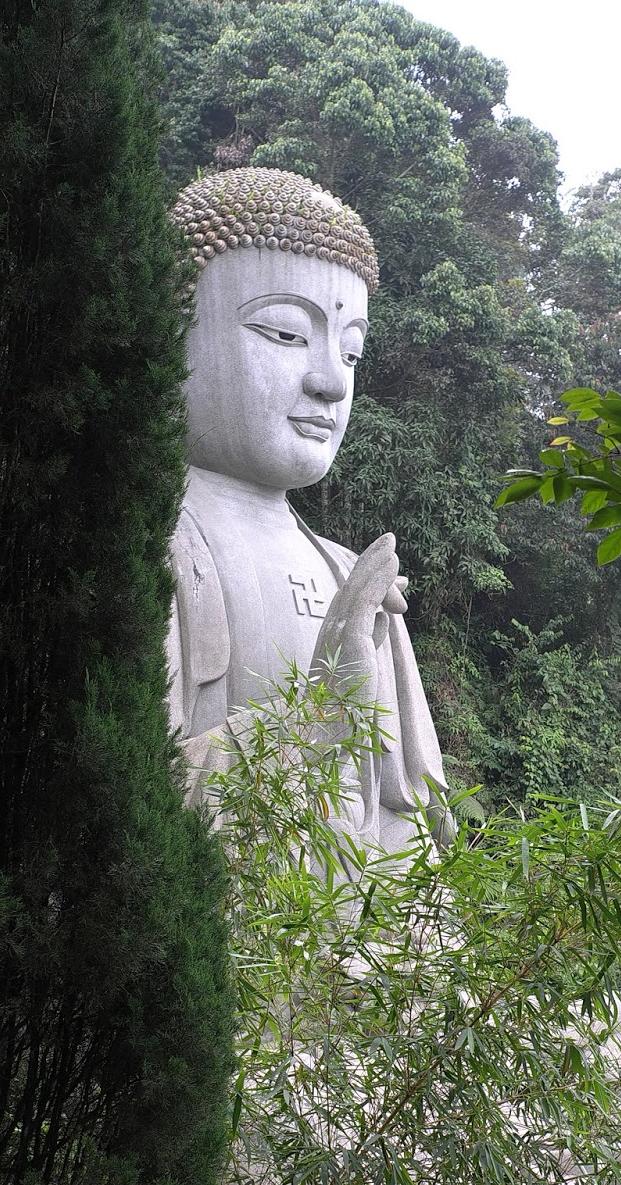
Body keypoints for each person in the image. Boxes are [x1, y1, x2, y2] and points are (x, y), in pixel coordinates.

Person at [166, 168, 450, 850]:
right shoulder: (145, 541)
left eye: (350, 351)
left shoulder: (349, 575)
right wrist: (317, 717)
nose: (329, 382)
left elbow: (409, 823)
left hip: (361, 945)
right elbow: (129, 801)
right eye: (288, 334)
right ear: (172, 334)